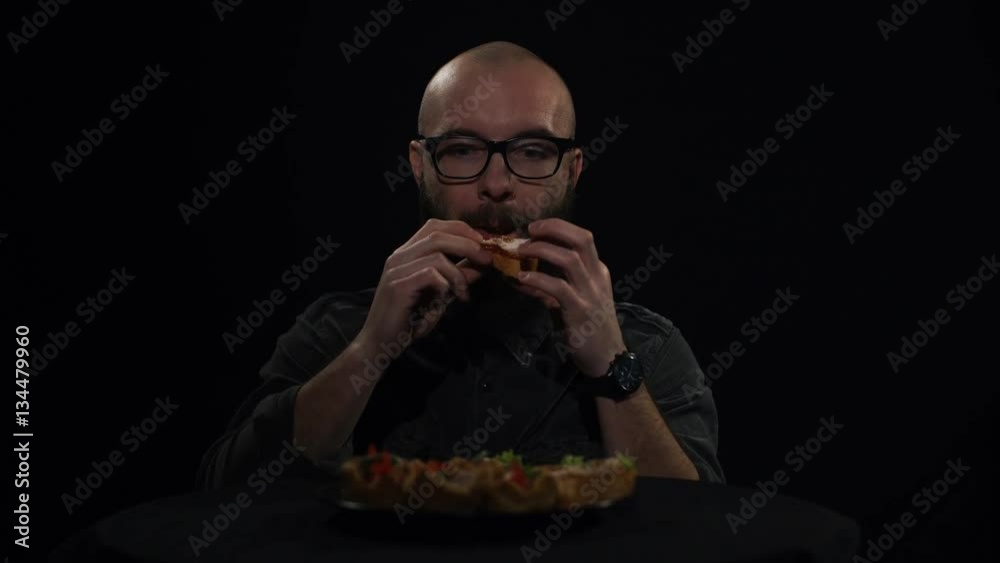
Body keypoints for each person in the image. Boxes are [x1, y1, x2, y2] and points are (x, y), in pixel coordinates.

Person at [196, 41, 724, 489]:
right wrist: (372, 350)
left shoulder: (647, 349)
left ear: (572, 171)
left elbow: (696, 537)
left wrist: (611, 362)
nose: (497, 184)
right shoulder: (337, 331)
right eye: (464, 150)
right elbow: (222, 504)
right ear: (420, 166)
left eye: (534, 151)